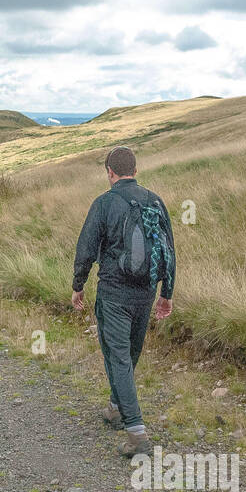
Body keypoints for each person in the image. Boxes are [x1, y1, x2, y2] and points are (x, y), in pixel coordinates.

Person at [71, 146, 176, 458]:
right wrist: (166, 294)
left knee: (118, 359)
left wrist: (78, 285)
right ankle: (116, 409)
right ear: (136, 170)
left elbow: (86, 248)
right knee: (128, 357)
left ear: (110, 173)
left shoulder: (104, 203)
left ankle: (136, 433)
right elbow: (169, 251)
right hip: (145, 293)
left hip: (114, 294)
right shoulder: (155, 201)